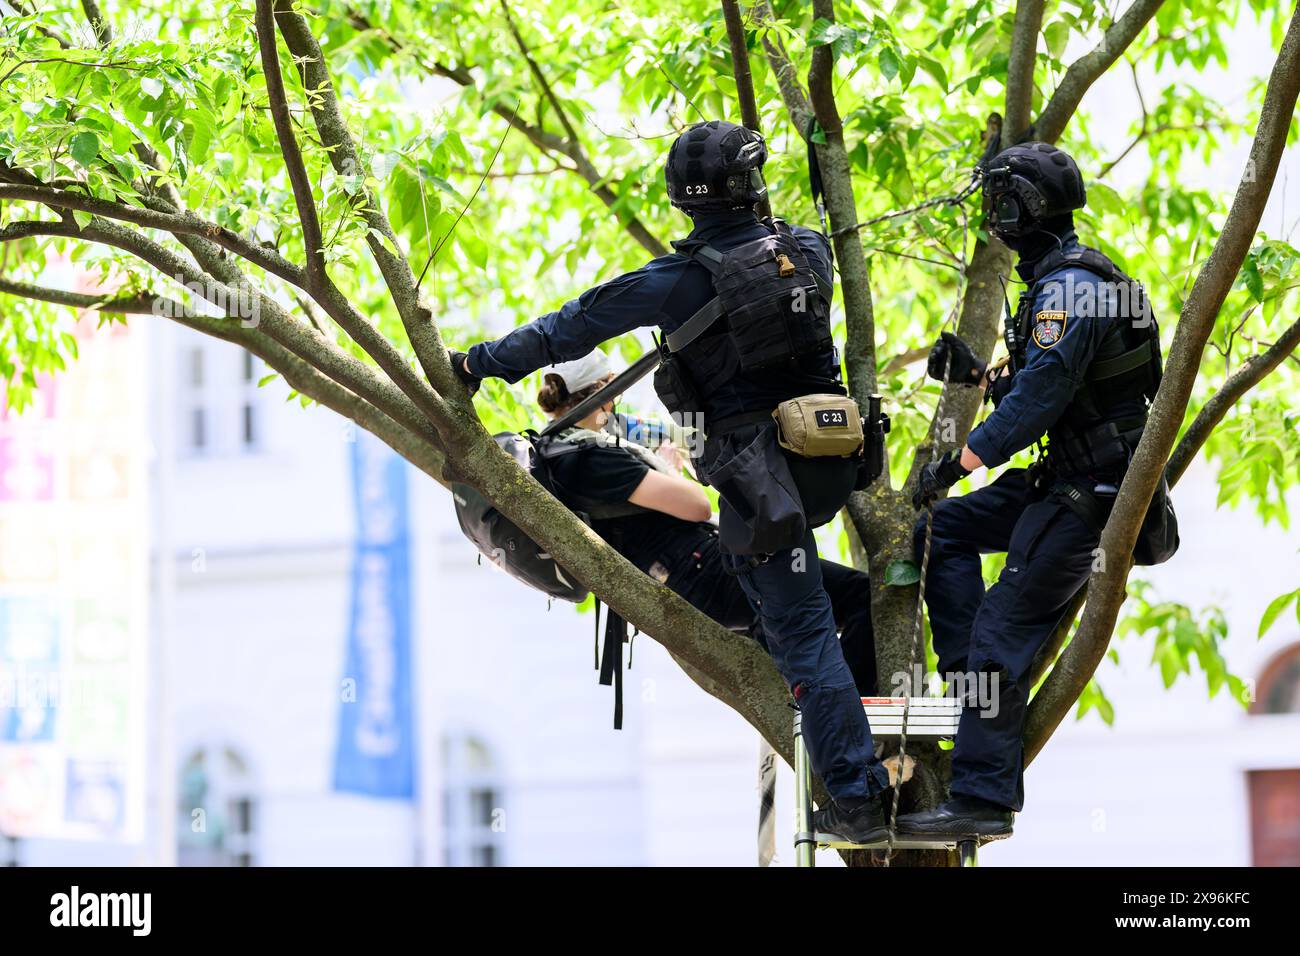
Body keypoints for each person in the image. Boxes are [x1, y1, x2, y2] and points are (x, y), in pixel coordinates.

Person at [450, 120, 892, 843]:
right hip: (831, 466)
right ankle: (868, 758)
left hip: (759, 493)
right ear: (751, 184)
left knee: (807, 635)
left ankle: (855, 799)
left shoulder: (674, 282)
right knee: (807, 617)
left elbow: (572, 326)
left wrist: (478, 364)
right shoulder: (806, 250)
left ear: (681, 201)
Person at [897, 142, 1163, 838]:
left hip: (1092, 495)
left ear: (1022, 207)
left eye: (998, 202)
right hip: (1063, 479)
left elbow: (1040, 402)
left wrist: (957, 466)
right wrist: (975, 374)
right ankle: (971, 693)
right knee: (941, 534)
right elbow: (1050, 383)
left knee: (1000, 629)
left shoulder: (1070, 289)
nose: (991, 215)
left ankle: (982, 802)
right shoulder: (1058, 279)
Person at [535, 350, 878, 697]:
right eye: (614, 393)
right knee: (860, 594)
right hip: (702, 570)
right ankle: (847, 710)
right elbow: (697, 506)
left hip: (683, 577)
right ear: (602, 394)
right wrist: (669, 466)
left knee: (797, 627)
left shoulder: (561, 451)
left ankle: (836, 708)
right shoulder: (591, 458)